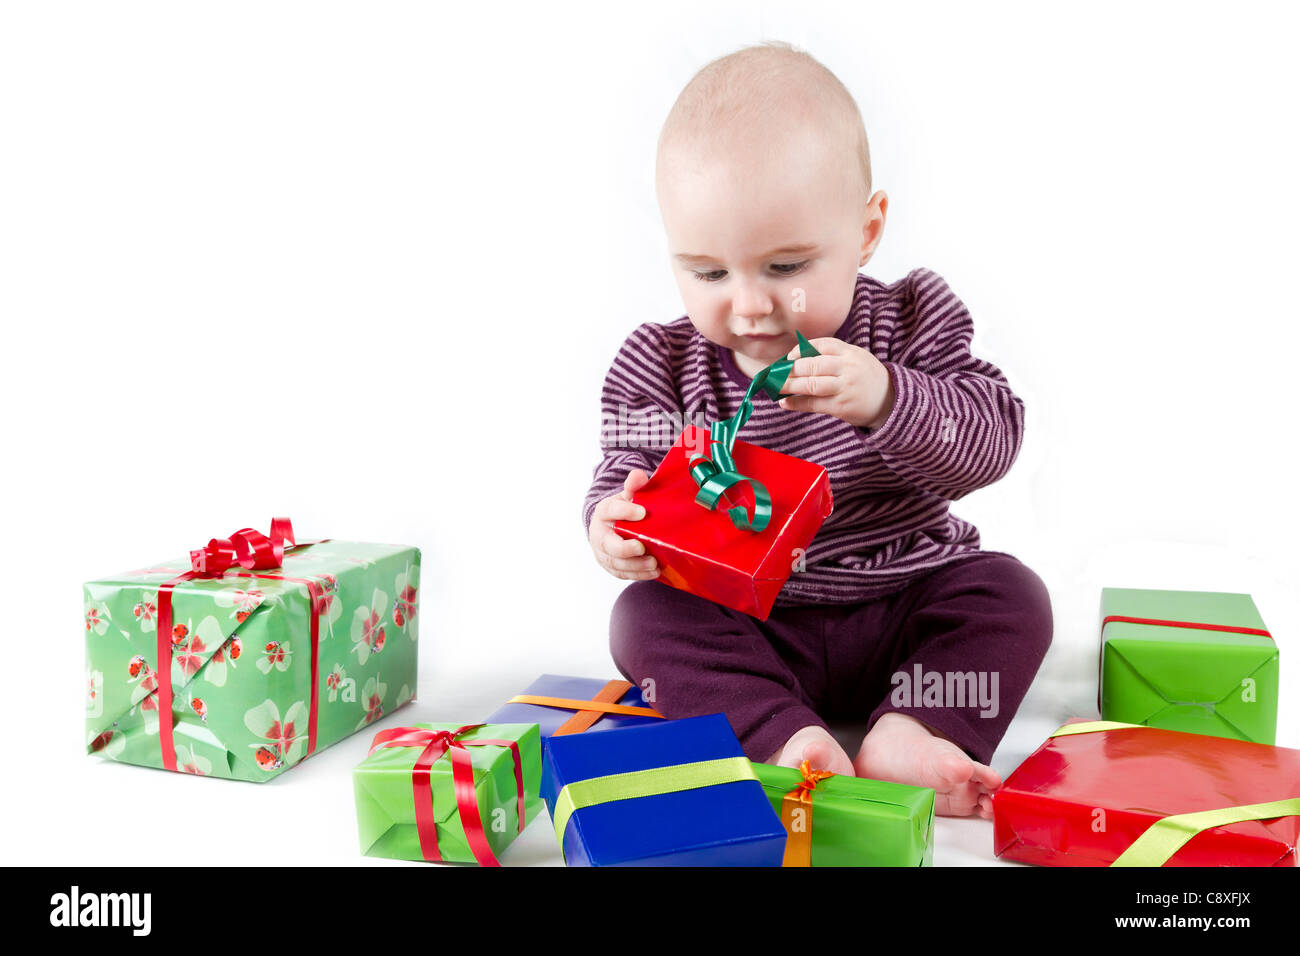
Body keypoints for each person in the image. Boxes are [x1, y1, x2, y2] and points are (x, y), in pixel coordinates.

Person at [583, 42, 1052, 818]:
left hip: (904, 602)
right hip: (755, 632)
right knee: (643, 618)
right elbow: (623, 471)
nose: (750, 306)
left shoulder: (910, 320)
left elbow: (993, 438)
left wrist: (888, 397)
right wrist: (612, 524)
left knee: (1012, 595)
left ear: (866, 231)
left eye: (786, 266)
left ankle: (917, 727)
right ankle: (782, 736)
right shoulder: (657, 363)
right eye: (708, 273)